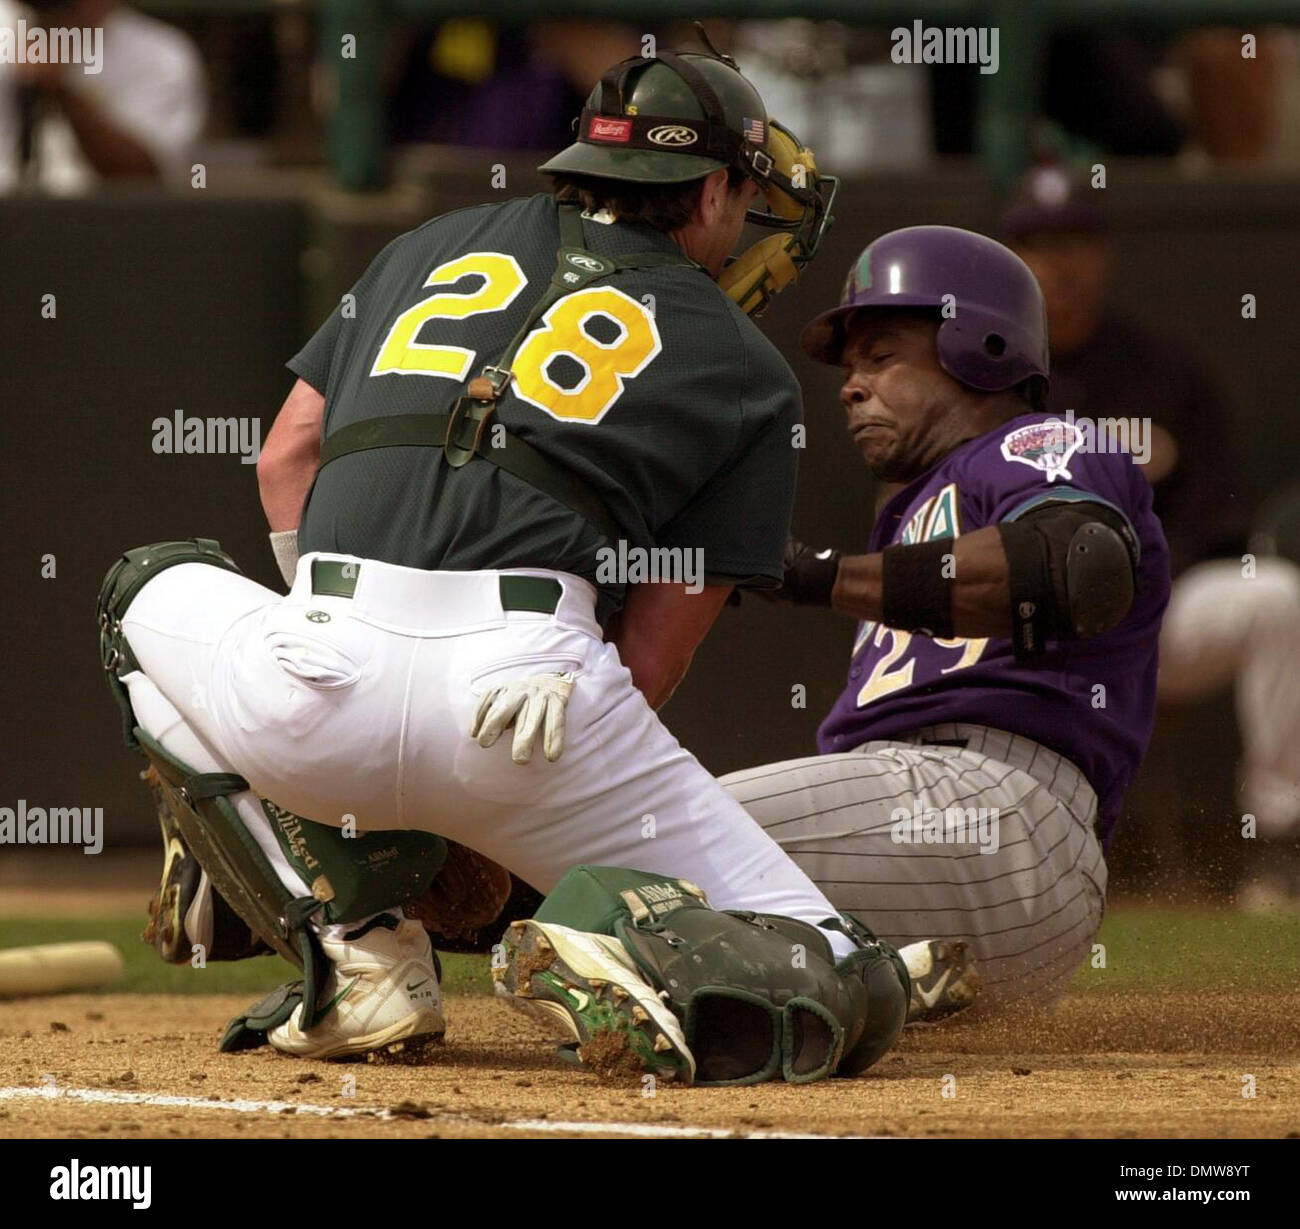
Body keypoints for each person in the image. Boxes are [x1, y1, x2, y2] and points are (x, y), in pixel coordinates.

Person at [96, 44, 920, 1086]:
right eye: (746, 190)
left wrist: (335, 643)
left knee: (142, 590)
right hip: (528, 696)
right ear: (711, 188)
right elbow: (655, 655)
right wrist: (505, 801)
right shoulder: (748, 366)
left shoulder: (425, 248)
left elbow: (284, 458)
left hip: (313, 681)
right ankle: (620, 935)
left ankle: (354, 945)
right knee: (854, 975)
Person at [724, 224, 1171, 1010]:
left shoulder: (1037, 442)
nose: (849, 384)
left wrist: (809, 575)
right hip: (942, 854)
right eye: (852, 364)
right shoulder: (911, 515)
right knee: (671, 913)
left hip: (998, 811)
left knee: (651, 831)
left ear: (980, 345)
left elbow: (1074, 565)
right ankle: (863, 983)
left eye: (882, 354)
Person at [1003, 165, 1300, 907]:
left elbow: (1220, 514)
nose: (1059, 263)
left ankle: (1279, 840)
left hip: (1153, 621)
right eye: (1038, 243)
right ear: (1011, 259)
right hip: (1026, 631)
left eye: (1074, 241)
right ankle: (988, 869)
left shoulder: (1162, 372)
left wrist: (1139, 579)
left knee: (1276, 599)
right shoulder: (988, 377)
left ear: (1102, 255)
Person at [0, 0, 204, 193]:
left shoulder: (162, 55)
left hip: (99, 220)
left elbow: (142, 177)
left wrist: (61, 91)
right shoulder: (6, 26)